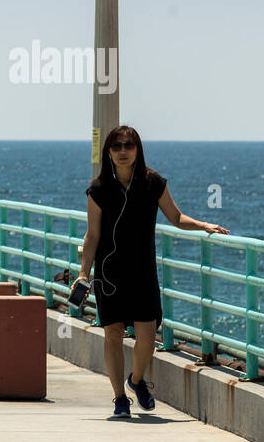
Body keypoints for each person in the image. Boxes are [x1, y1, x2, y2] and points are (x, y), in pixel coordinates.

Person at [77, 125, 228, 418]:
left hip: (143, 273)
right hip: (109, 274)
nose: (123, 151)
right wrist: (84, 273)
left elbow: (176, 216)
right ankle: (120, 398)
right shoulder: (98, 189)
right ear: (108, 151)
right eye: (117, 146)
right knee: (113, 333)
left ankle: (136, 380)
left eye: (128, 146)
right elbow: (92, 235)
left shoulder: (152, 182)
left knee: (147, 335)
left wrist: (203, 225)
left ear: (137, 150)